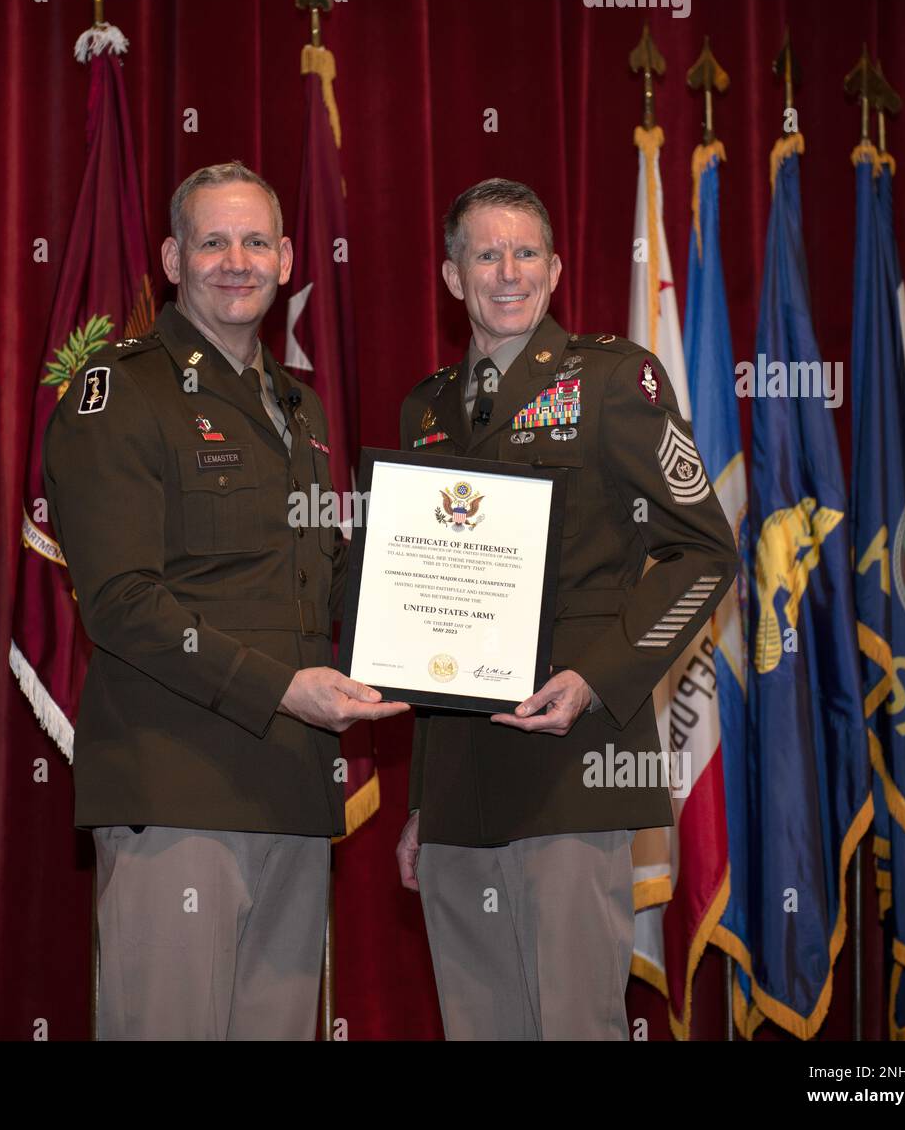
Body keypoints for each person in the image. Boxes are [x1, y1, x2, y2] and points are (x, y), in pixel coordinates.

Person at [43, 161, 406, 1040]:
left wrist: (455, 638)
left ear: (286, 259)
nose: (234, 260)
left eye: (254, 242)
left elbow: (330, 584)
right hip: (178, 790)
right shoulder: (119, 391)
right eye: (212, 241)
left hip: (289, 789)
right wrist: (284, 688)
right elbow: (122, 602)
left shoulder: (302, 409)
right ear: (173, 257)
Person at [394, 178, 738, 1040]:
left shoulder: (616, 378)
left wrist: (597, 677)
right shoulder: (426, 408)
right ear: (450, 274)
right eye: (486, 253)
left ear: (554, 270)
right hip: (460, 790)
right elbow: (428, 614)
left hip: (575, 764)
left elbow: (707, 553)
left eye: (526, 253)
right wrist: (423, 802)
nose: (508, 272)